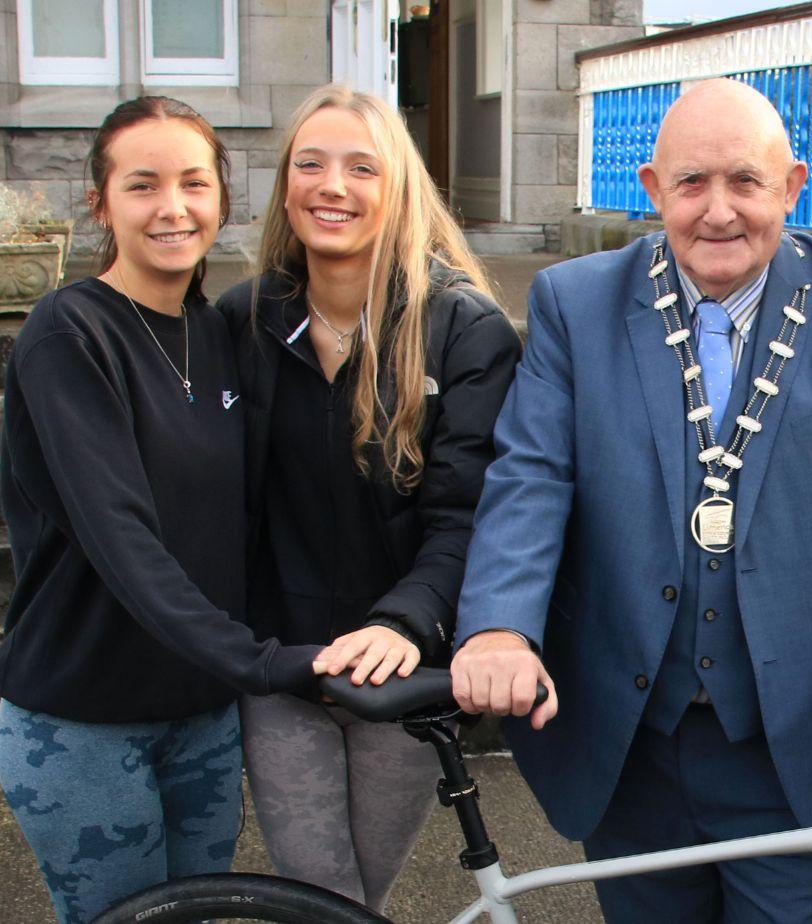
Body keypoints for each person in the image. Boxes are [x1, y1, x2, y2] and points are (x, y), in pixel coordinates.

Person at [447, 78, 812, 923]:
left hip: (794, 745)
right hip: (631, 744)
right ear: (651, 188)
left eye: (746, 182)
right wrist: (500, 623)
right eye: (691, 183)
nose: (718, 210)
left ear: (793, 185)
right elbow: (531, 474)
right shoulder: (574, 303)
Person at [0, 97, 370, 924]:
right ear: (101, 204)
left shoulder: (219, 331)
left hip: (201, 715)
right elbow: (121, 537)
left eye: (195, 183)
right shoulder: (69, 336)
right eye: (142, 185)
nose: (173, 207)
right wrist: (269, 662)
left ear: (222, 199)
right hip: (84, 720)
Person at [217, 85, 520, 913]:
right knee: (324, 899)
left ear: (398, 190)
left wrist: (403, 622)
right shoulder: (243, 321)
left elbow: (472, 515)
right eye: (309, 164)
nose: (332, 185)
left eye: (361, 167)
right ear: (285, 186)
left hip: (402, 673)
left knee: (350, 901)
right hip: (283, 667)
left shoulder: (465, 331)